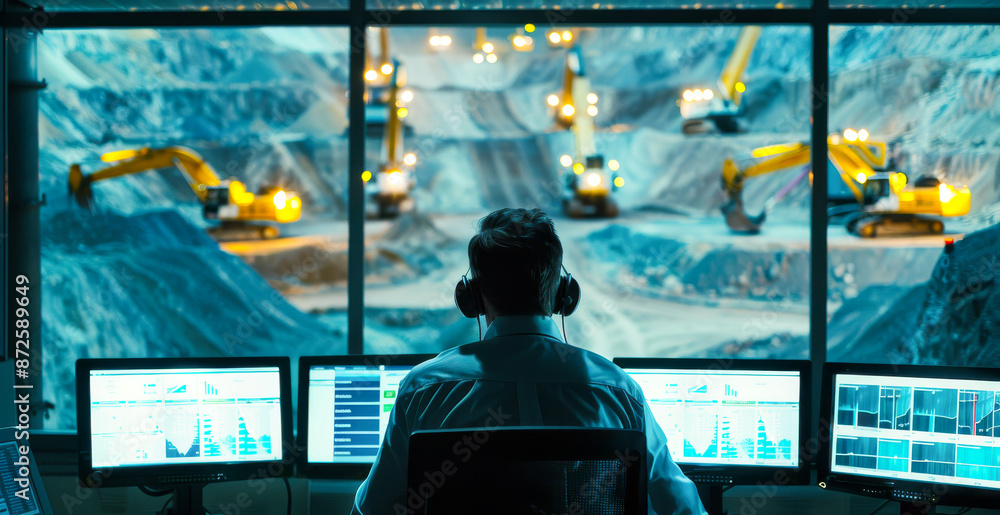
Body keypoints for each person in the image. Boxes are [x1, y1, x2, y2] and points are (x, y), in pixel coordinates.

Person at [352, 207, 706, 515]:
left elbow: (371, 510)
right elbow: (682, 507)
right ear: (564, 294)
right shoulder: (619, 392)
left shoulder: (423, 390)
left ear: (471, 297)